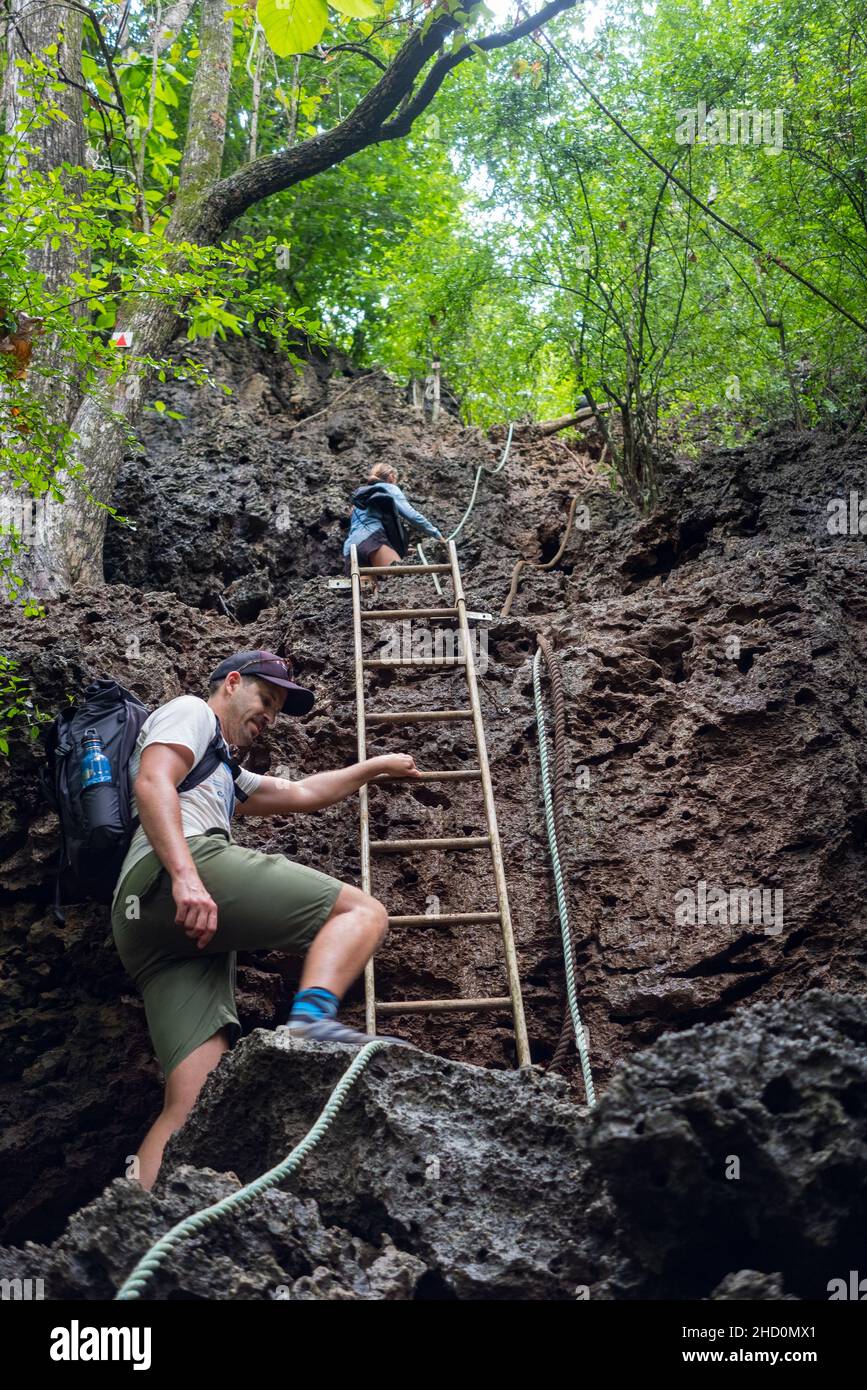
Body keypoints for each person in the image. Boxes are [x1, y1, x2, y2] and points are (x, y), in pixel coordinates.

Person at [110, 649, 417, 1191]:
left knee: (191, 1104)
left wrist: (374, 768)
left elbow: (301, 793)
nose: (269, 716)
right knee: (359, 912)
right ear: (231, 683)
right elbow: (153, 781)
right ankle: (311, 1020)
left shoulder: (224, 770)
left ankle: (127, 1229)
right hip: (170, 876)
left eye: (276, 709)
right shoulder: (190, 712)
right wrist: (185, 877)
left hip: (156, 934)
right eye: (265, 700)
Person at [343, 461, 443, 588]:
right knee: (399, 584)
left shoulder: (363, 495)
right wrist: (437, 535)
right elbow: (412, 515)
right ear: (391, 477)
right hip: (372, 541)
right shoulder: (389, 488)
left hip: (351, 549)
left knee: (367, 595)